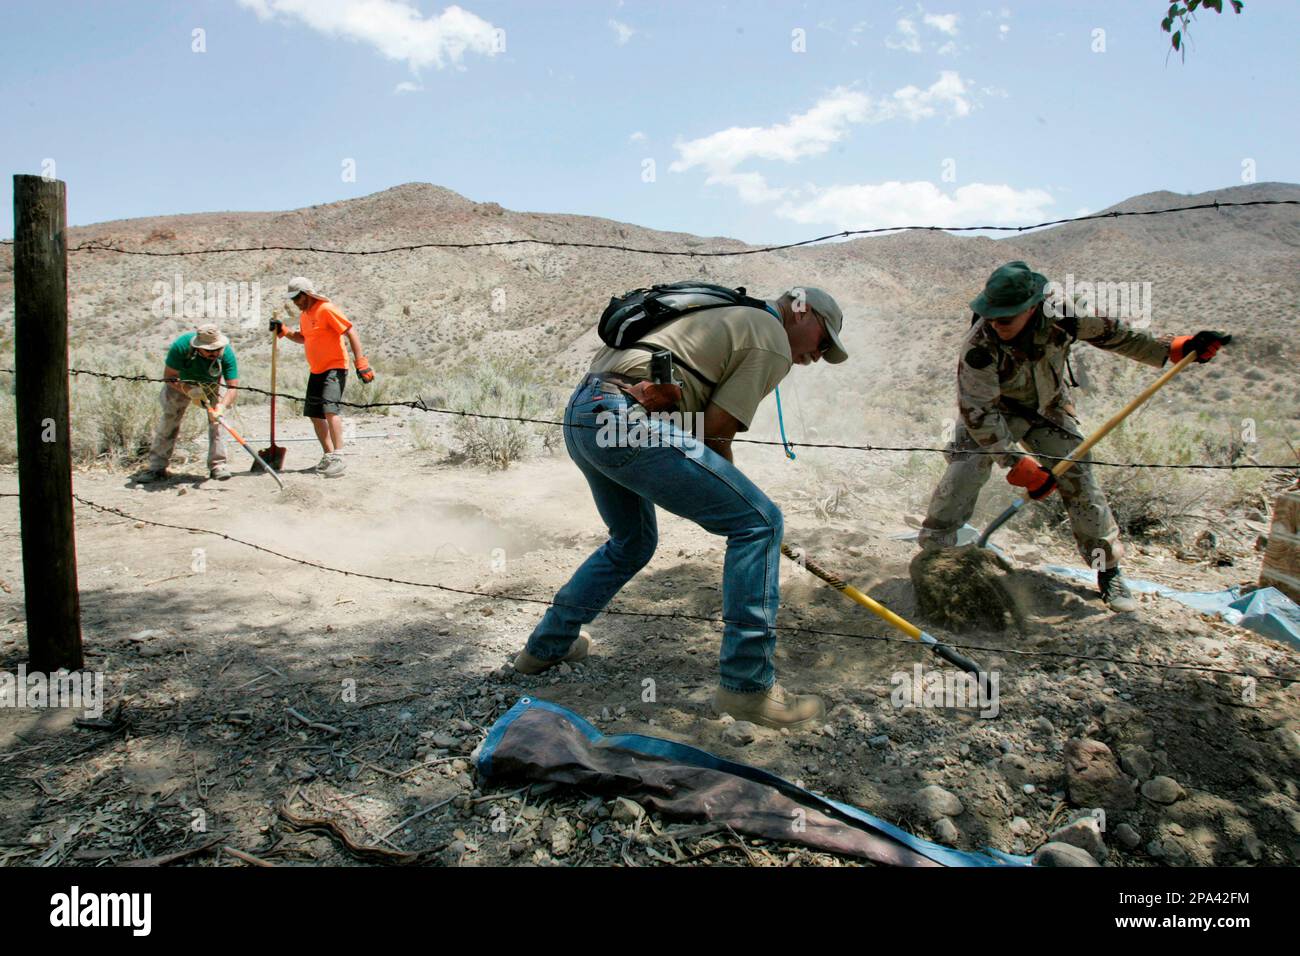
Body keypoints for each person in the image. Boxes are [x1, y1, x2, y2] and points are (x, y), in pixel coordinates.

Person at [512, 285, 850, 731]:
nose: (816, 357)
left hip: (586, 414)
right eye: (822, 344)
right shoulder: (770, 335)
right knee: (759, 523)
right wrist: (735, 493)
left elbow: (694, 426)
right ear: (803, 314)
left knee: (633, 541)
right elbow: (714, 432)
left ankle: (545, 648)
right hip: (625, 418)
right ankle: (748, 690)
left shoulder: (731, 314)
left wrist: (717, 481)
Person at [916, 260, 1231, 612]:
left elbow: (1121, 336)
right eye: (991, 315)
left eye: (1005, 317)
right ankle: (936, 552)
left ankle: (1107, 569)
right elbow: (978, 411)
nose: (996, 323)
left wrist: (1175, 348)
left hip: (1050, 409)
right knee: (965, 470)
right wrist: (1017, 463)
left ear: (1032, 306)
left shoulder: (1065, 314)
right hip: (995, 413)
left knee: (1080, 479)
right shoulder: (979, 345)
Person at [273, 276, 374, 478]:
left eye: (297, 297)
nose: (295, 302)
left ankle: (339, 456)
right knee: (314, 414)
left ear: (307, 294)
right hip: (316, 369)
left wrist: (360, 362)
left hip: (335, 368)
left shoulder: (326, 309)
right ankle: (328, 455)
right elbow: (303, 338)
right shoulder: (304, 315)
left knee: (330, 410)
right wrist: (283, 331)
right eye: (292, 298)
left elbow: (350, 331)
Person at [138, 323, 239, 482]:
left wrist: (221, 406)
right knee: (170, 419)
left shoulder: (226, 354)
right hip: (180, 385)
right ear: (198, 347)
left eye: (217, 349)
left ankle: (218, 466)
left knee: (218, 422)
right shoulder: (181, 346)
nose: (214, 353)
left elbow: (232, 387)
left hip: (212, 386)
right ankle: (156, 468)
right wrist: (188, 390)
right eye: (208, 350)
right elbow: (169, 376)